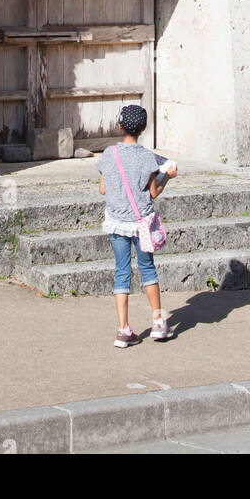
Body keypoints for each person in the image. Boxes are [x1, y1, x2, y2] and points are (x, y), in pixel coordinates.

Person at [96, 105, 177, 347]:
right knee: (148, 269)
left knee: (121, 272)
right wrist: (167, 177)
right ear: (143, 129)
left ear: (119, 126)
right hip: (140, 222)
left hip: (116, 222)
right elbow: (152, 193)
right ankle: (158, 323)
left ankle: (123, 330)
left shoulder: (109, 154)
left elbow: (102, 189)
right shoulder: (146, 157)